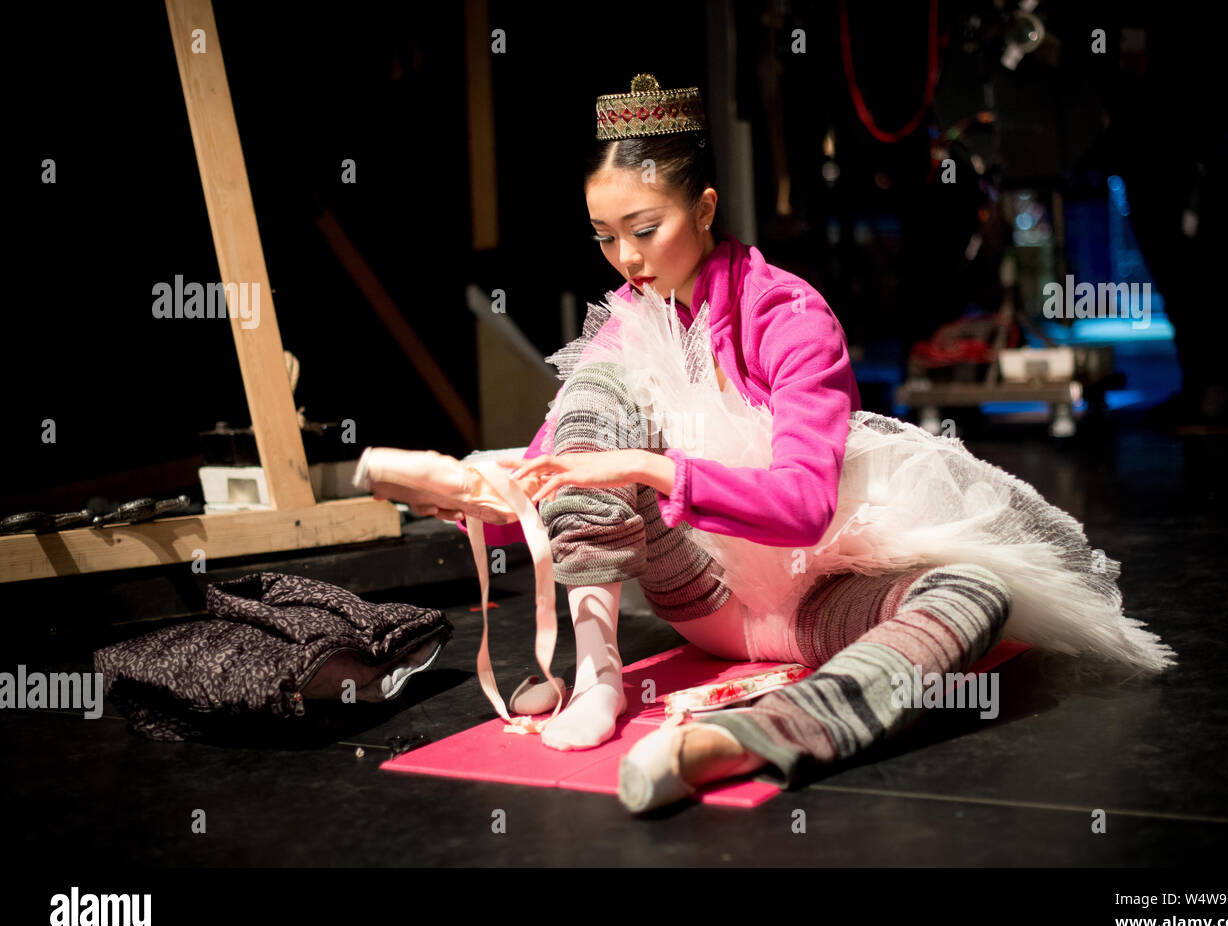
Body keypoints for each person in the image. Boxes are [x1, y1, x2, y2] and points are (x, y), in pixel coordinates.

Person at [370, 74, 1177, 814]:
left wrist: (648, 464)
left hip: (809, 599)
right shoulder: (625, 318)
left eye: (645, 229)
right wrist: (471, 495)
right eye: (605, 236)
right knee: (598, 389)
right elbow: (561, 481)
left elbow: (802, 504)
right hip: (701, 592)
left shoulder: (791, 316)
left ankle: (746, 738)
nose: (626, 259)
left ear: (708, 208)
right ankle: (598, 675)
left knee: (975, 593)